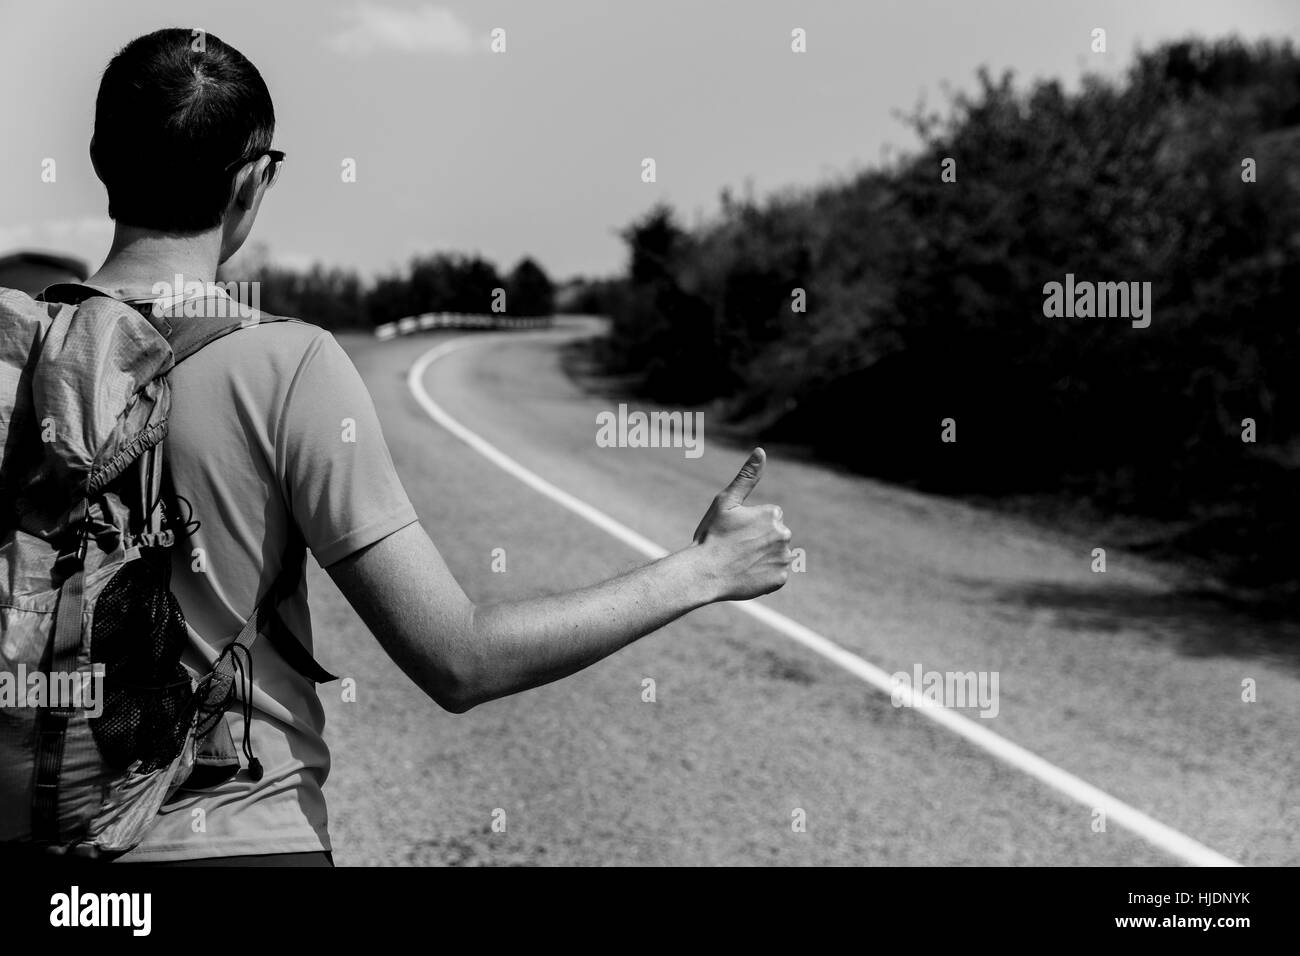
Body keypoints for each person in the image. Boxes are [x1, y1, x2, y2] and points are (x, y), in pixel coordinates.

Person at [67, 28, 793, 865]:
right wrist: (705, 568)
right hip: (237, 841)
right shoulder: (287, 365)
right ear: (249, 182)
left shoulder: (16, 368)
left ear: (99, 159)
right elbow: (459, 660)